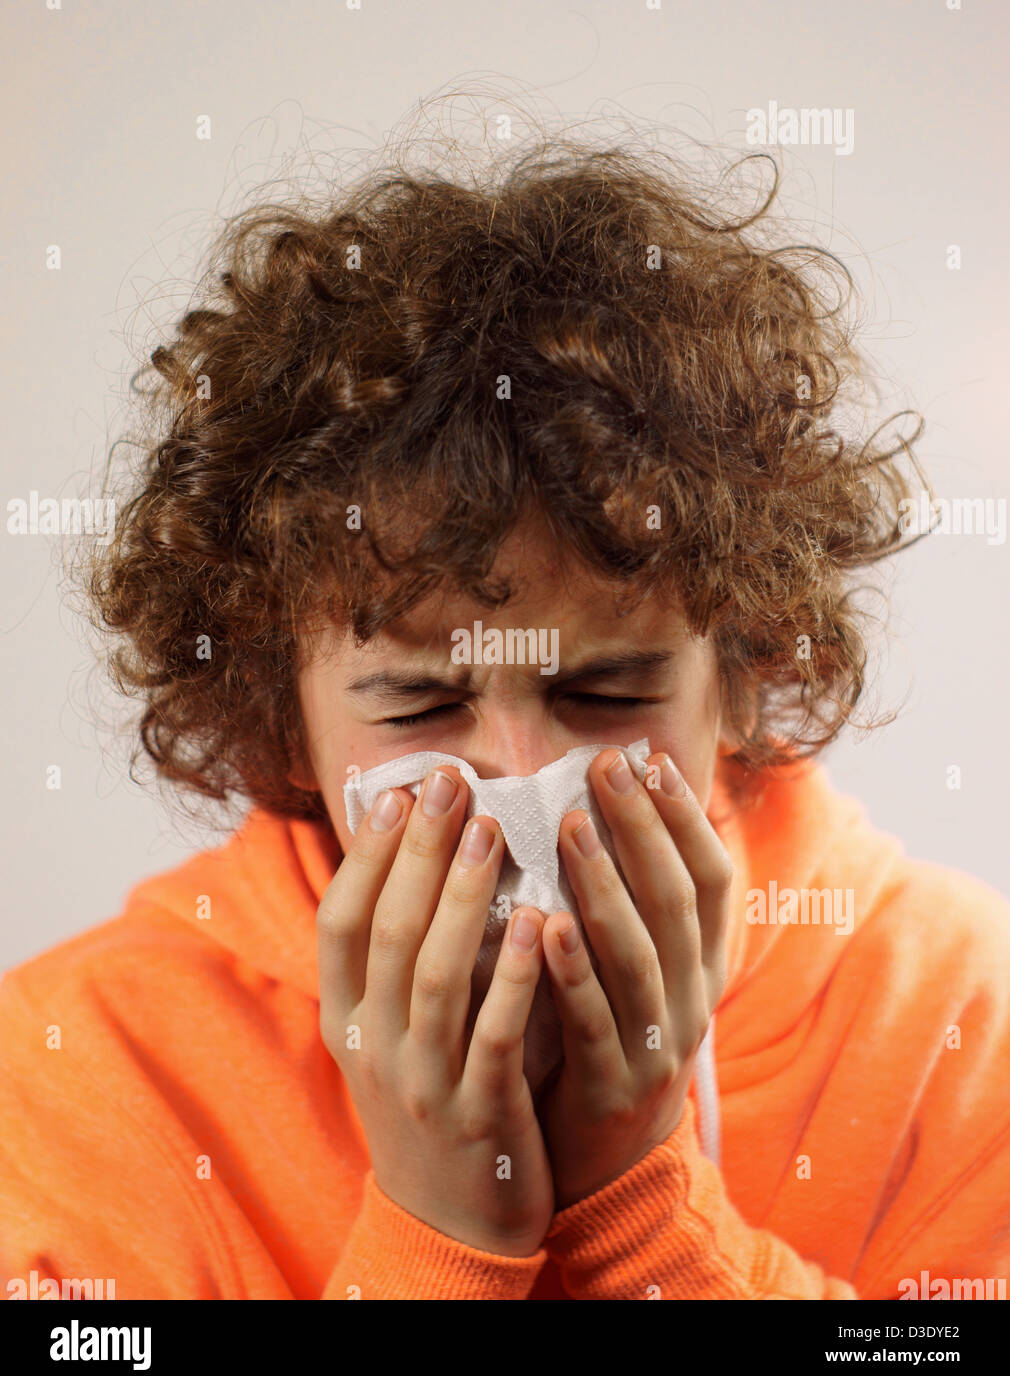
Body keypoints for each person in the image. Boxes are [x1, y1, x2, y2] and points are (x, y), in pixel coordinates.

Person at [2, 137, 1008, 1301]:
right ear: (282, 725)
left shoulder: (959, 1017)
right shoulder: (83, 1063)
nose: (527, 778)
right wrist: (435, 1234)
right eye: (422, 702)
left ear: (740, 674)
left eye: (606, 694)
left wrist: (634, 1198)